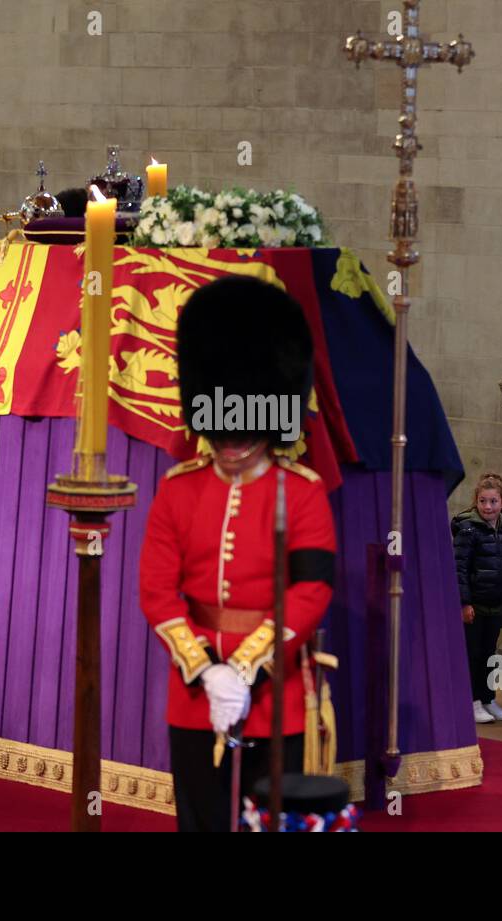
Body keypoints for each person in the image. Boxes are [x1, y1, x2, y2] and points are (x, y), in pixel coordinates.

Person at [139, 276, 336, 832]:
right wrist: (207, 672)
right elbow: (155, 588)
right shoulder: (179, 488)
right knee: (200, 820)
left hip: (279, 696)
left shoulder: (301, 491)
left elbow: (312, 590)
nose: (230, 440)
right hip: (195, 694)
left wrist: (245, 667)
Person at [452, 472, 502, 724]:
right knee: (473, 654)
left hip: (496, 605)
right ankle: (472, 701)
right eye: (483, 501)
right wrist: (464, 602)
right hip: (474, 606)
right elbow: (458, 569)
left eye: (493, 501)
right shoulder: (468, 530)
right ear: (476, 502)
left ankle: (489, 699)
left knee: (490, 655)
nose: (488, 507)